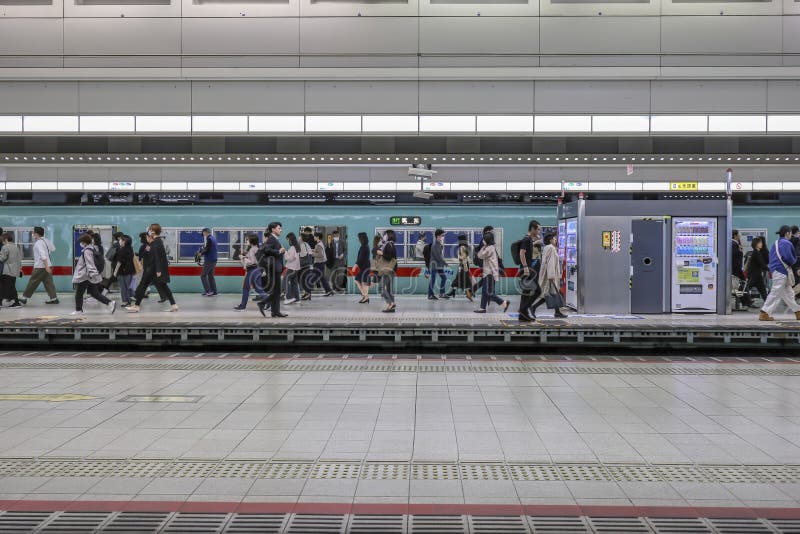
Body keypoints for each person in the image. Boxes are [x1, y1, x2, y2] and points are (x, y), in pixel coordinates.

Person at [126, 224, 178, 313]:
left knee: (143, 286)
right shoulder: (156, 242)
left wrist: (158, 270)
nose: (149, 231)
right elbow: (154, 255)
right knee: (162, 286)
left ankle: (136, 306)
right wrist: (148, 249)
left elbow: (157, 257)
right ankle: (174, 305)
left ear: (153, 231)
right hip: (152, 269)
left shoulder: (156, 242)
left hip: (152, 269)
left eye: (150, 230)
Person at [760, 225, 800, 321]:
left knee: (789, 293)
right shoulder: (786, 243)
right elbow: (789, 258)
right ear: (787, 233)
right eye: (790, 233)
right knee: (775, 292)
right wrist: (795, 262)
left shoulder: (776, 243)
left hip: (776, 270)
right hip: (782, 271)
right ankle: (764, 312)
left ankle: (797, 311)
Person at [71, 233, 115, 315]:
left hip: (85, 276)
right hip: (90, 276)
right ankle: (110, 303)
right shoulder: (92, 249)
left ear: (84, 242)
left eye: (81, 242)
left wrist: (93, 274)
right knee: (95, 294)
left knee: (78, 293)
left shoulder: (87, 251)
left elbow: (89, 263)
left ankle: (78, 310)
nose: (81, 243)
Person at [20, 226, 59, 305]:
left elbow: (42, 255)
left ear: (36, 234)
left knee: (33, 281)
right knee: (48, 282)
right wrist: (48, 265)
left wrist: (46, 266)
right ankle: (54, 298)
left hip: (40, 266)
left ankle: (24, 298)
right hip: (48, 265)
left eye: (33, 232)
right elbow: (53, 249)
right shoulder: (46, 240)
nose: (32, 234)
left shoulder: (38, 243)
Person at [257, 222, 288, 318]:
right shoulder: (271, 238)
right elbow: (266, 250)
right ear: (273, 229)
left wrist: (280, 252)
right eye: (279, 228)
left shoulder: (274, 239)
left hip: (275, 267)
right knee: (277, 291)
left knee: (276, 291)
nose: (281, 230)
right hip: (274, 268)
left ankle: (275, 311)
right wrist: (279, 251)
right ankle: (262, 303)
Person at [475, 231, 509, 314]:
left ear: (487, 240)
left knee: (488, 292)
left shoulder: (489, 248)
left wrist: (482, 247)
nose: (483, 241)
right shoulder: (490, 247)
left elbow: (480, 255)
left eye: (484, 239)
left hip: (489, 274)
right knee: (484, 292)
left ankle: (503, 302)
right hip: (488, 273)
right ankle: (482, 308)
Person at [517, 220, 543, 322]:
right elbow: (521, 253)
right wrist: (526, 267)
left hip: (526, 269)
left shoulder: (528, 239)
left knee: (526, 291)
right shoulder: (526, 239)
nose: (539, 231)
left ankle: (522, 315)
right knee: (538, 291)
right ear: (532, 229)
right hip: (526, 270)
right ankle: (523, 309)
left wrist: (535, 241)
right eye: (538, 229)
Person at [234, 234, 267, 311]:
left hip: (252, 271)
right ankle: (271, 302)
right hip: (257, 270)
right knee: (259, 289)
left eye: (247, 240)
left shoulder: (252, 249)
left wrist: (243, 257)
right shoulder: (256, 248)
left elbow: (252, 261)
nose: (246, 241)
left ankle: (242, 306)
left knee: (246, 288)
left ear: (251, 241)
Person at [538, 233, 568, 319]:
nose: (555, 240)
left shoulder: (547, 248)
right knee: (552, 294)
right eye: (554, 239)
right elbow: (551, 263)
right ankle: (533, 307)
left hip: (549, 275)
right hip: (551, 276)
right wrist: (551, 276)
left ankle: (557, 312)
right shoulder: (551, 248)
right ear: (550, 240)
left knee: (552, 293)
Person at [445, 234, 474, 301]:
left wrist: (460, 260)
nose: (458, 242)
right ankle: (454, 292)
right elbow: (466, 257)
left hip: (463, 265)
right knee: (460, 278)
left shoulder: (462, 247)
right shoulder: (466, 247)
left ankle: (468, 293)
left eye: (459, 240)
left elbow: (463, 257)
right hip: (465, 264)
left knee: (463, 279)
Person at [0, 233, 24, 308]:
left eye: (2, 241)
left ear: (6, 240)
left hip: (7, 270)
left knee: (6, 286)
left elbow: (2, 258)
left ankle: (16, 303)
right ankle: (13, 302)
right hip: (15, 270)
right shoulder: (16, 247)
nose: (2, 242)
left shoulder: (5, 247)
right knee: (11, 286)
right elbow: (19, 259)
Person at [376, 230, 397, 313]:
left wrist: (381, 253)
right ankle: (392, 305)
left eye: (385, 234)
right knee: (389, 289)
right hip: (392, 269)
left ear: (388, 235)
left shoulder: (388, 244)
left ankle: (390, 303)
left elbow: (388, 257)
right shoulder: (391, 244)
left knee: (381, 286)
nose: (384, 236)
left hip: (387, 269)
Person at [745, 236, 769, 302]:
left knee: (763, 290)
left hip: (757, 275)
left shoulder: (758, 252)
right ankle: (746, 302)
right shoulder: (756, 253)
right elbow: (762, 264)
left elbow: (762, 264)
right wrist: (770, 269)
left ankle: (768, 305)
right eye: (760, 243)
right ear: (756, 244)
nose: (761, 244)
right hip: (753, 275)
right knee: (746, 289)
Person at [427, 229, 449, 300]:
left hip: (438, 265)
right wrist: (445, 263)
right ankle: (430, 295)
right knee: (433, 280)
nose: (443, 237)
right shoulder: (435, 244)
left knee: (444, 278)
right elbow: (438, 256)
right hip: (435, 265)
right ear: (438, 236)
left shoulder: (439, 244)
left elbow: (440, 255)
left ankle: (441, 293)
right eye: (442, 235)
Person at [114, 235, 136, 308]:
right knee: (129, 287)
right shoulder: (130, 249)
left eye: (120, 240)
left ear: (124, 241)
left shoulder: (121, 250)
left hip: (122, 272)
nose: (119, 241)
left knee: (123, 287)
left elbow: (119, 262)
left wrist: (115, 272)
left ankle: (125, 301)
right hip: (130, 271)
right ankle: (129, 301)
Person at [311, 232, 334, 297]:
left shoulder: (318, 245)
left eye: (314, 236)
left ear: (317, 237)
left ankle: (307, 290)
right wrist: (312, 250)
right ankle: (329, 291)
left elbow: (320, 255)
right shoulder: (319, 244)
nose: (314, 237)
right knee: (322, 278)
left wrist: (311, 253)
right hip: (320, 263)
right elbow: (318, 251)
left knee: (313, 277)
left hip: (319, 263)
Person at [283, 232, 302, 305]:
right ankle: (297, 299)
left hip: (291, 268)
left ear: (290, 239)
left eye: (288, 239)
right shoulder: (297, 247)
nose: (288, 241)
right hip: (296, 269)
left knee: (285, 281)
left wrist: (285, 252)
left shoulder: (292, 248)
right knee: (294, 284)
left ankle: (289, 297)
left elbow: (290, 258)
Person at [199, 228, 218, 297]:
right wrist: (204, 249)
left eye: (203, 232)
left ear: (206, 232)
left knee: (203, 276)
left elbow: (207, 249)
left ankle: (208, 291)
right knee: (210, 276)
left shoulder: (209, 239)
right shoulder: (213, 238)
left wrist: (201, 253)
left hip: (210, 260)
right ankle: (214, 291)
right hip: (213, 259)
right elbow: (209, 248)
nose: (203, 234)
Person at [354, 232, 372, 303]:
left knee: (357, 281)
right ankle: (365, 297)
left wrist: (355, 265)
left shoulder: (364, 247)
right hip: (366, 267)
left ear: (361, 238)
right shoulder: (366, 246)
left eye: (359, 238)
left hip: (364, 267)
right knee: (365, 283)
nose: (358, 239)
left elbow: (360, 258)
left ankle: (365, 296)